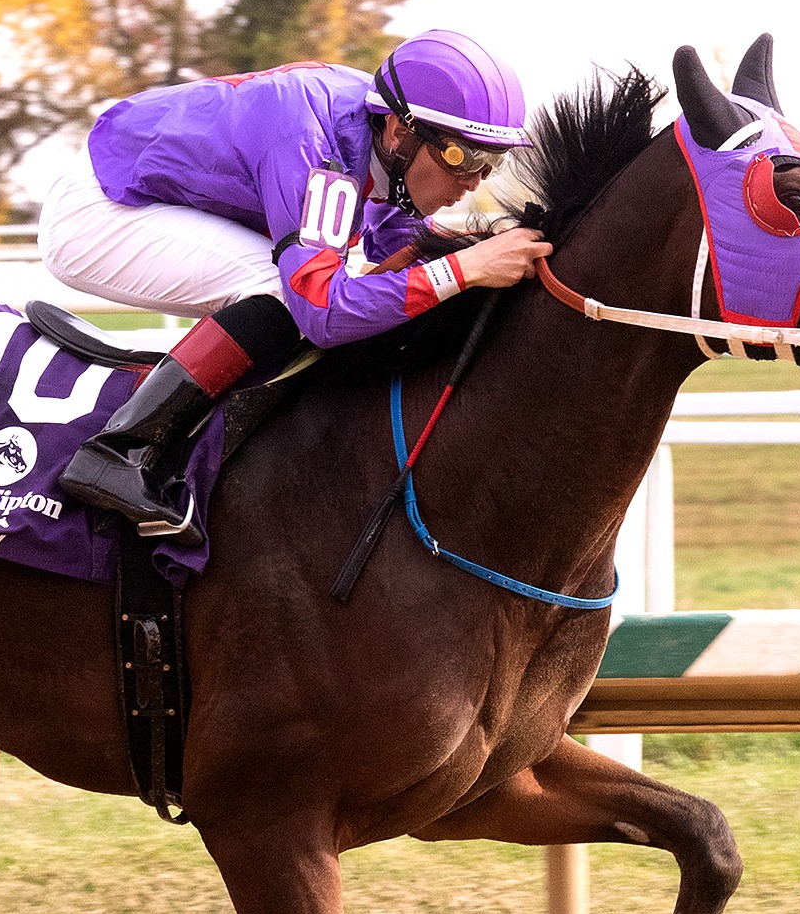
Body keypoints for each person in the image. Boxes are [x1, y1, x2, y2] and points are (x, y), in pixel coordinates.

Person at [38, 29, 554, 546]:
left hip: (150, 194)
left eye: (492, 162)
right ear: (399, 130)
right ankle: (117, 451)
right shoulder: (316, 146)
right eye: (462, 157)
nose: (474, 182)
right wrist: (465, 269)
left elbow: (396, 244)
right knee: (284, 293)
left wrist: (475, 246)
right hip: (102, 207)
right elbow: (323, 312)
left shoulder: (373, 137)